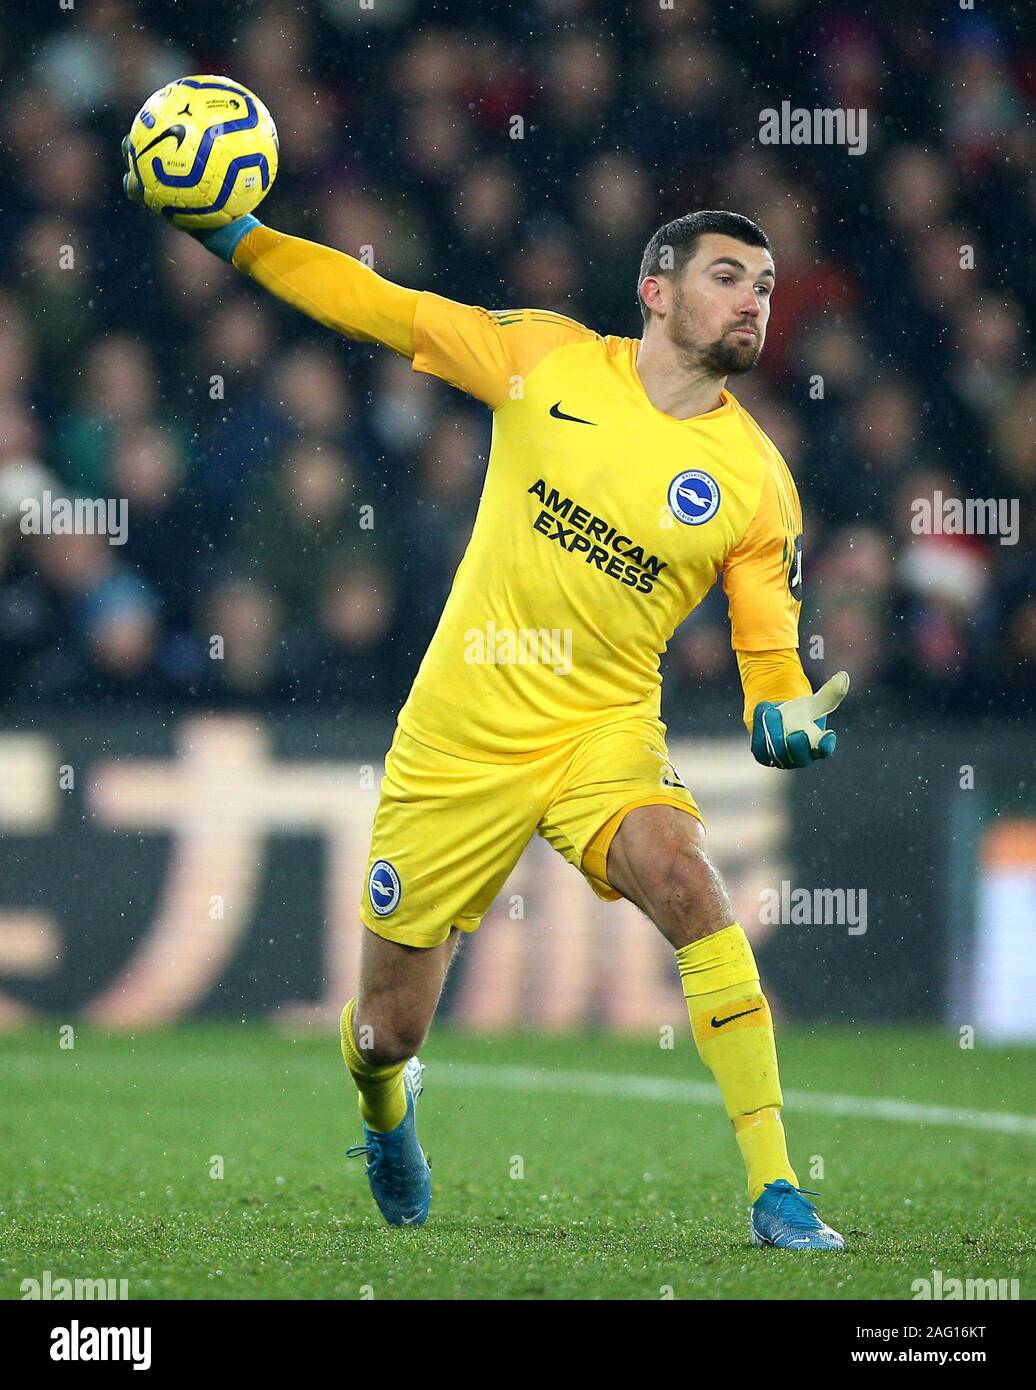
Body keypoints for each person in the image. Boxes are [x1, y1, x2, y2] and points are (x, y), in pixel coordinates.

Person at [125, 146, 849, 1248]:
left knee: (687, 879)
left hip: (601, 732)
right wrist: (236, 236)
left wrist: (782, 711)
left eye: (763, 282)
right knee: (383, 1027)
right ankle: (384, 1109)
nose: (754, 296)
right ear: (654, 291)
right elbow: (375, 303)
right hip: (459, 738)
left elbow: (768, 648)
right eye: (726, 274)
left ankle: (774, 1185)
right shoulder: (541, 360)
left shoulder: (758, 480)